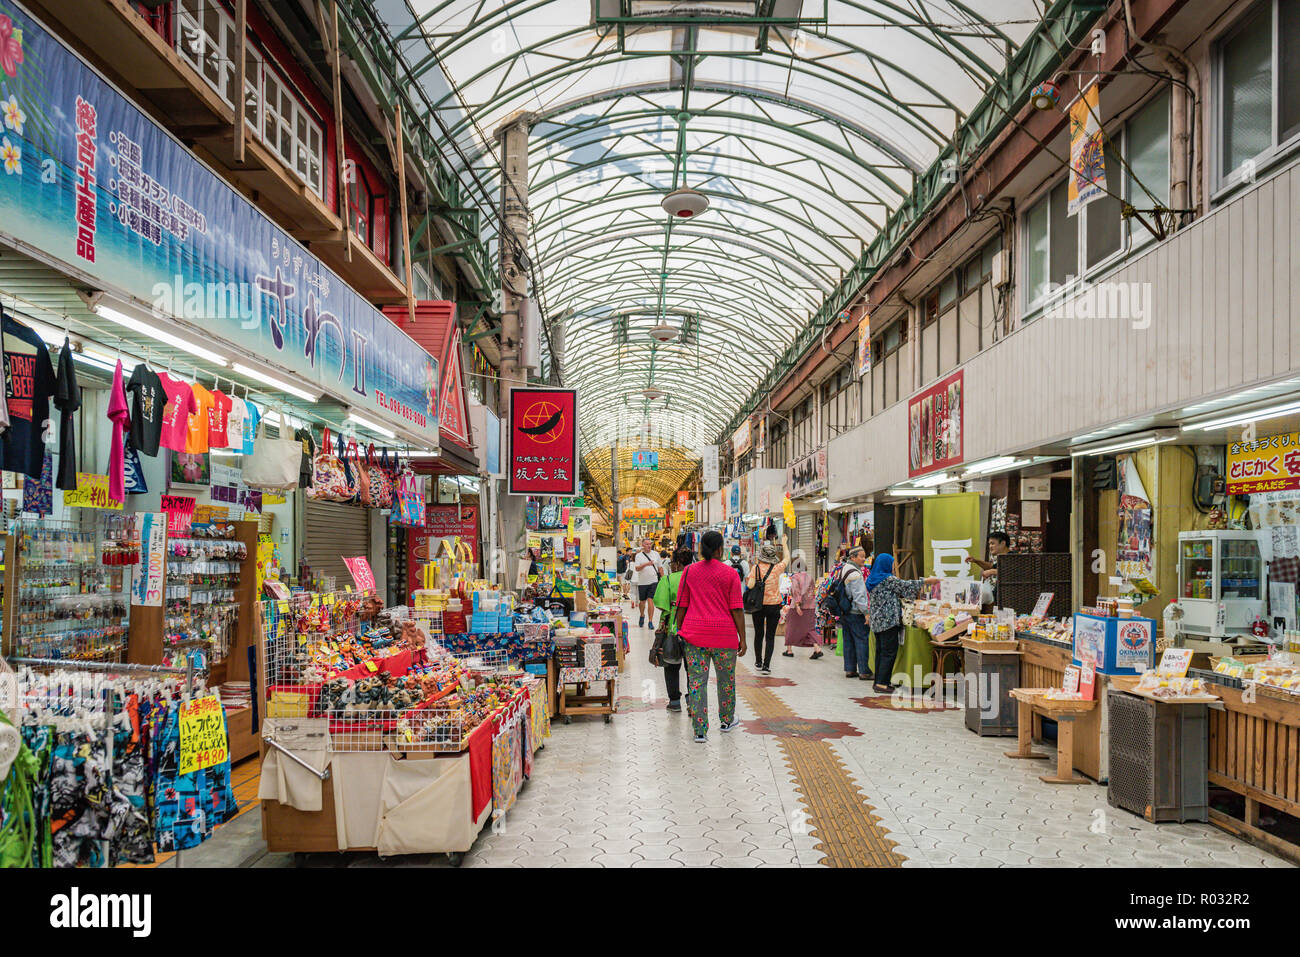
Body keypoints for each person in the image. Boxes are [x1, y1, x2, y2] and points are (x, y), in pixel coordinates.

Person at [674, 530, 746, 742]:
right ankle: (726, 720)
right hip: (725, 637)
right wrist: (743, 638)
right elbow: (737, 609)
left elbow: (681, 606)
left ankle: (699, 731)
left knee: (697, 682)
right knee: (726, 680)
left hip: (695, 637)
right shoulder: (730, 573)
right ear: (720, 548)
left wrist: (681, 630)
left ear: (701, 548)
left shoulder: (689, 572)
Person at [866, 553, 940, 694]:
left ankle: (879, 682)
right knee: (888, 653)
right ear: (886, 564)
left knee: (881, 652)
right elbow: (906, 586)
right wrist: (926, 581)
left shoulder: (872, 579)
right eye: (892, 564)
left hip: (877, 621)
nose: (894, 567)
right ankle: (882, 684)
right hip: (888, 622)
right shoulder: (887, 579)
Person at [653, 547, 695, 712]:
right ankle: (693, 701)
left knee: (671, 665)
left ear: (677, 563)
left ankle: (675, 702)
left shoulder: (668, 580)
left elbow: (661, 604)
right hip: (694, 629)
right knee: (693, 667)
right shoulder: (697, 578)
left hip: (673, 628)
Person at [745, 536, 789, 674]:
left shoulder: (756, 568)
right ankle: (766, 666)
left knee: (759, 634)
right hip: (774, 605)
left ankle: (758, 661)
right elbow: (787, 558)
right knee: (770, 636)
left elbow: (750, 585)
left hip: (758, 605)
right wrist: (784, 544)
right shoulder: (777, 568)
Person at [838, 547, 873, 681]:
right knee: (861, 640)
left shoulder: (844, 568)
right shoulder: (855, 574)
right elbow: (859, 596)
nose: (864, 559)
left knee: (849, 641)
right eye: (861, 556)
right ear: (853, 557)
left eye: (865, 556)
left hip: (845, 611)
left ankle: (850, 669)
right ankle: (864, 671)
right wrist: (866, 613)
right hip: (855, 611)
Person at [780, 548, 822, 659]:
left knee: (791, 626)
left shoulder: (795, 577)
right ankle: (817, 648)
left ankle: (789, 650)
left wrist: (798, 605)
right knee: (810, 628)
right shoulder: (810, 577)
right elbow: (813, 592)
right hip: (811, 606)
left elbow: (796, 591)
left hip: (797, 607)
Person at [966, 531, 1011, 607]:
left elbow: (1012, 572)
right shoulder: (1002, 559)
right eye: (989, 544)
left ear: (1003, 543)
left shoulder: (1013, 557)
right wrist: (975, 561)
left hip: (1009, 600)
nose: (990, 546)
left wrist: (992, 571)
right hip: (999, 598)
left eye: (992, 543)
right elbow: (990, 567)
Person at [631, 537, 665, 628]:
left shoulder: (656, 554)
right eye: (646, 544)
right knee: (642, 602)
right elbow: (637, 568)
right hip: (642, 582)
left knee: (651, 600)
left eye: (650, 544)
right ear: (642, 545)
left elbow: (660, 568)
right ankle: (642, 615)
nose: (649, 546)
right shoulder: (639, 556)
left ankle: (650, 621)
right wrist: (646, 564)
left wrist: (664, 579)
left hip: (653, 581)